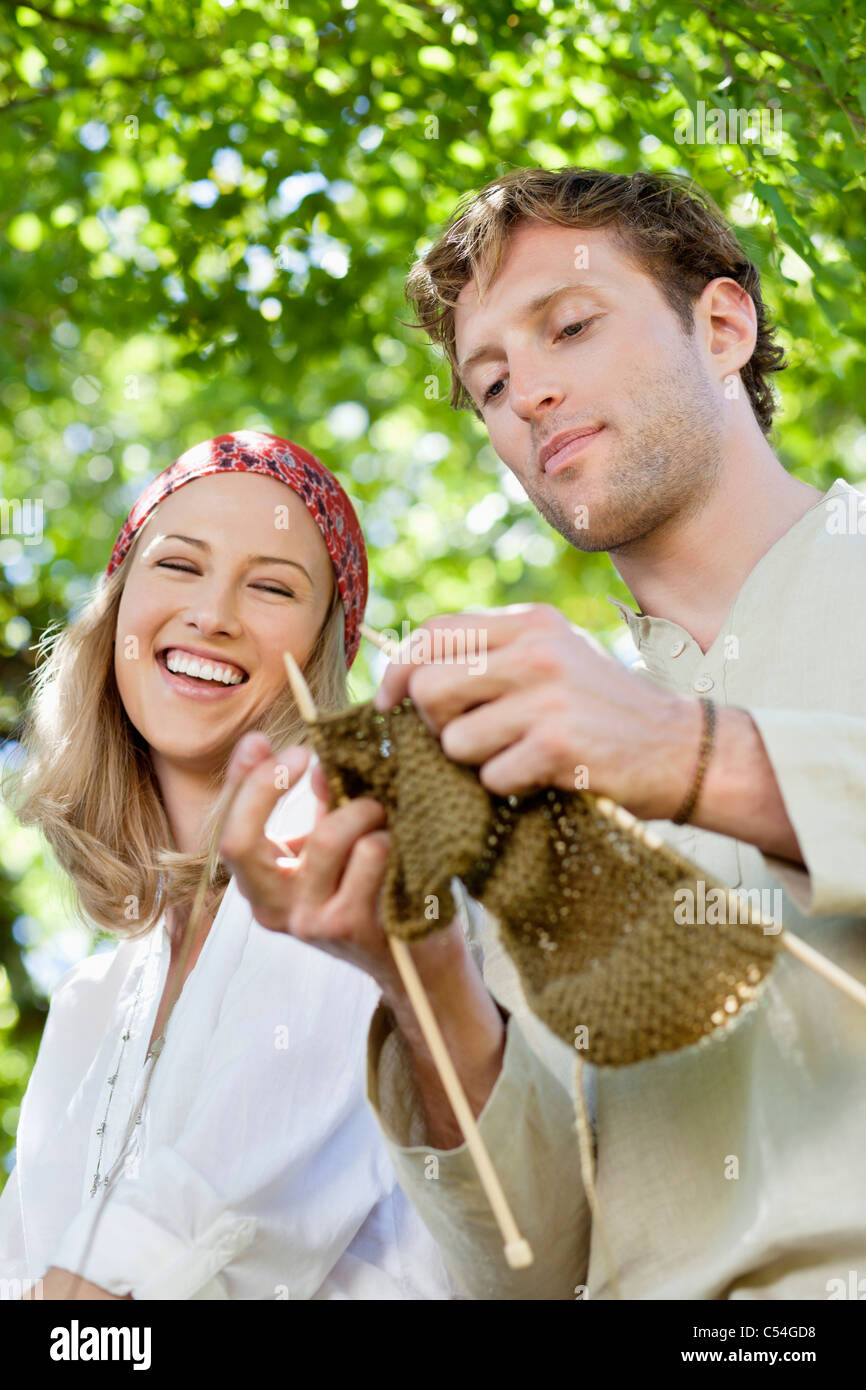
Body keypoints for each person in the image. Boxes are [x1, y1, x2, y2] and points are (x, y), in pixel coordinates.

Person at [218, 170, 866, 1300]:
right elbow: (531, 1266)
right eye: (491, 383)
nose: (528, 395)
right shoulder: (533, 766)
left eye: (568, 326)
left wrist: (688, 755)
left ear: (720, 325)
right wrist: (415, 968)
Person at [0, 430, 461, 1300]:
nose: (213, 613)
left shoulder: (348, 853)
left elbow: (193, 1235)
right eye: (179, 566)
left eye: (273, 586)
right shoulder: (87, 1008)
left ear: (321, 652)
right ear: (118, 609)